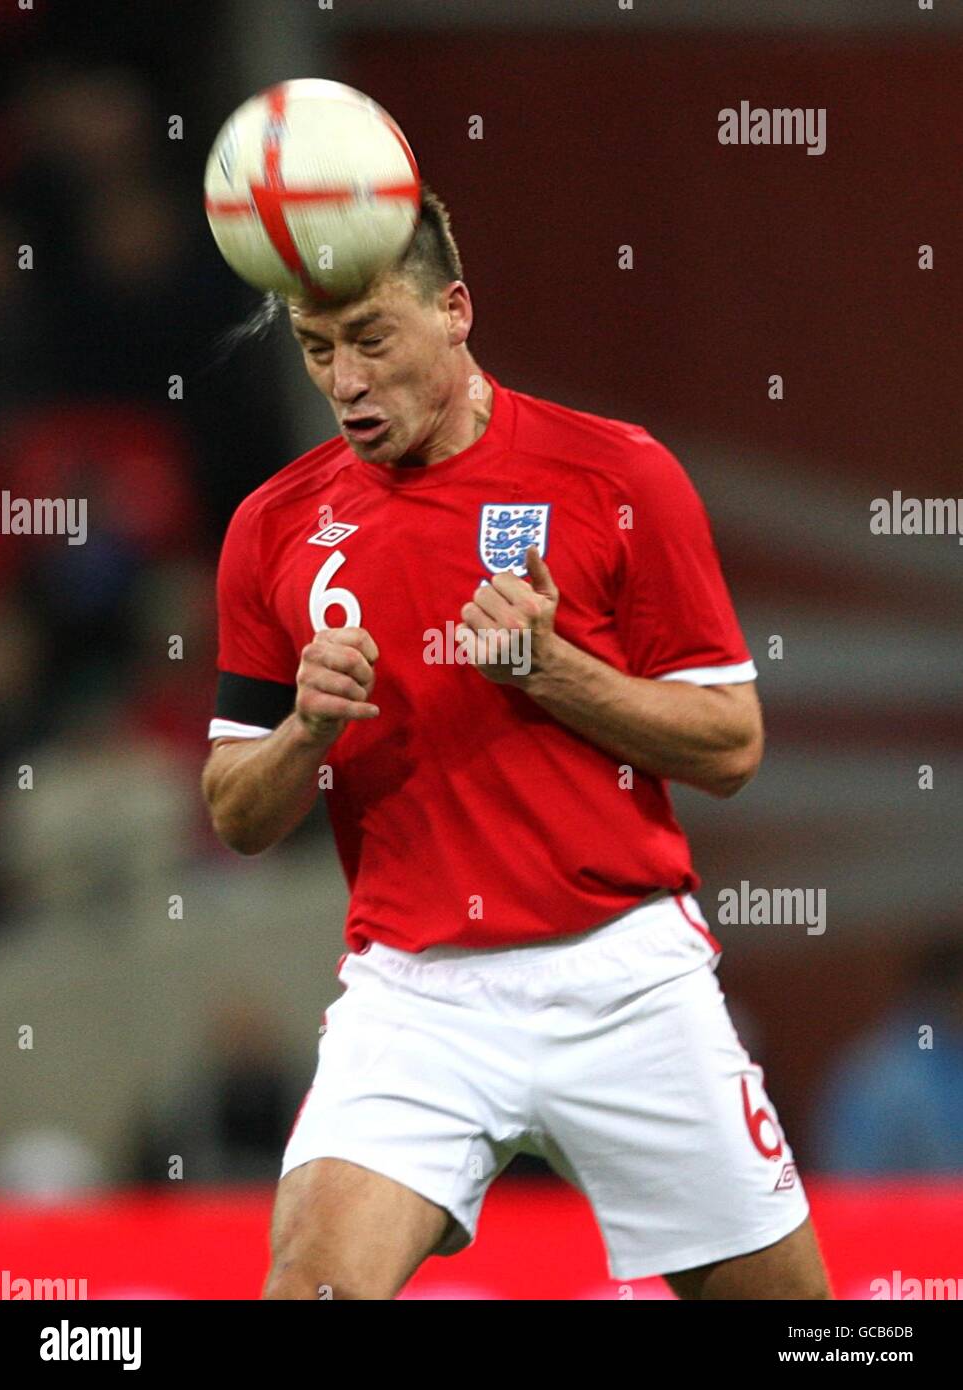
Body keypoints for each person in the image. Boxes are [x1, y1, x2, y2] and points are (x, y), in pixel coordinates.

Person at [201, 187, 830, 1301]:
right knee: (307, 1288)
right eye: (315, 349)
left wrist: (555, 671)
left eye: (371, 339)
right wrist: (304, 731)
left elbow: (730, 745)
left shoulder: (618, 476)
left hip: (626, 976)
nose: (344, 382)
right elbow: (233, 813)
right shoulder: (274, 526)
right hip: (417, 994)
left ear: (455, 310)